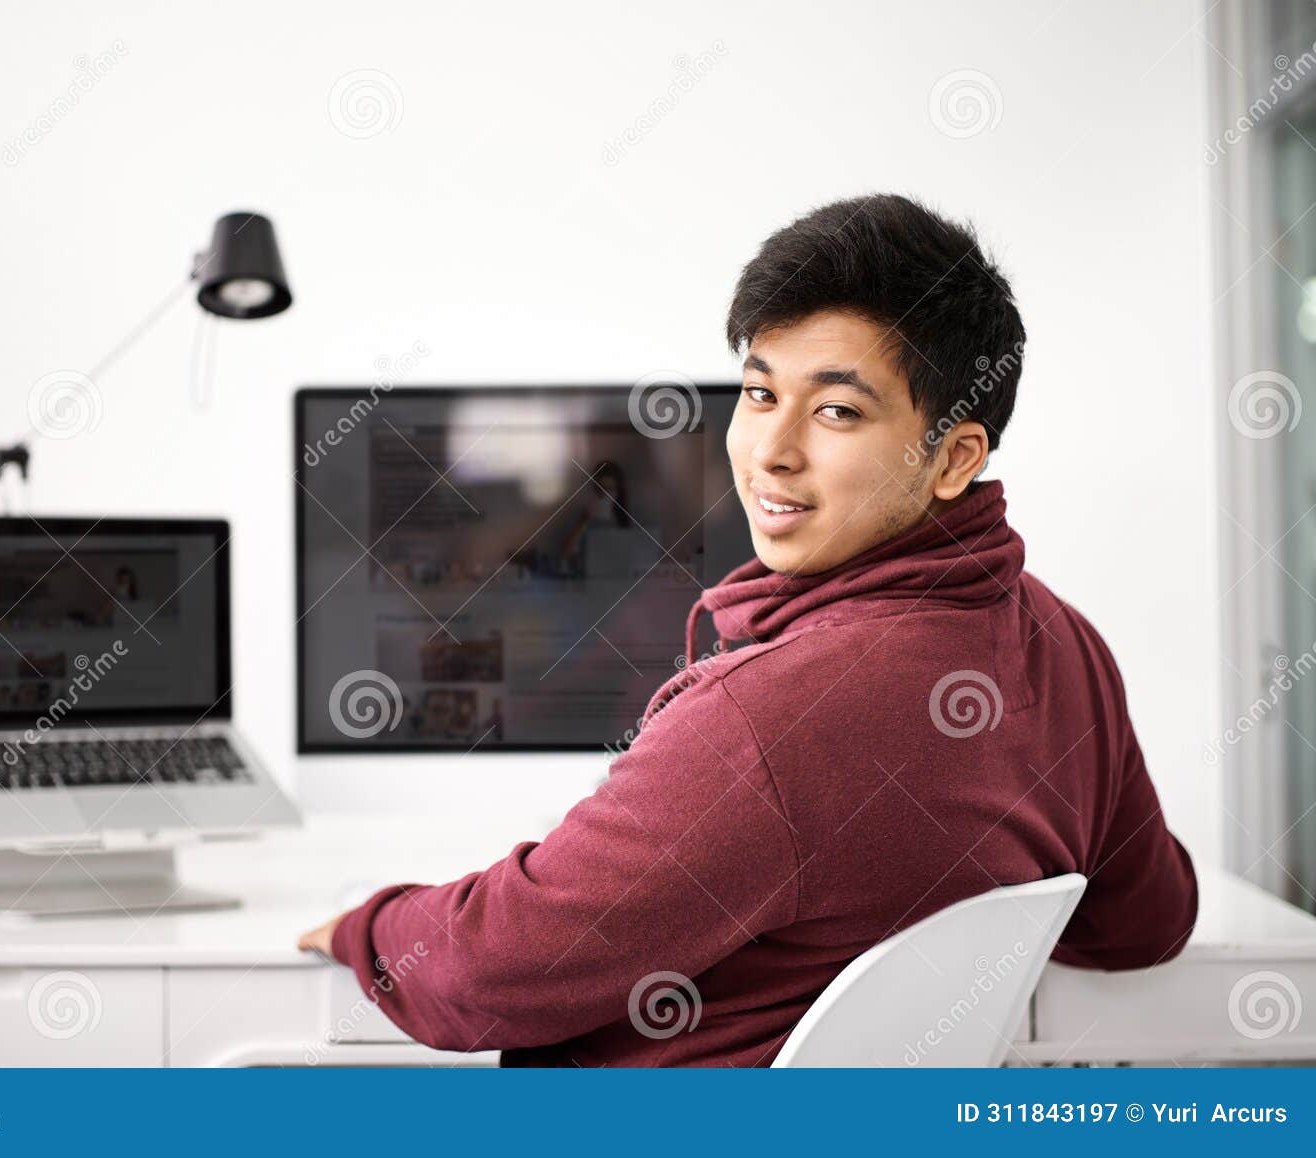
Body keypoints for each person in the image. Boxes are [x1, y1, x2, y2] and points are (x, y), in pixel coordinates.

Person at [298, 193, 1199, 1066]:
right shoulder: (1065, 642)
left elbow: (490, 971)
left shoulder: (770, 721)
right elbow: (1145, 923)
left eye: (838, 411)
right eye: (761, 393)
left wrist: (365, 925)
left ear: (955, 456)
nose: (771, 449)